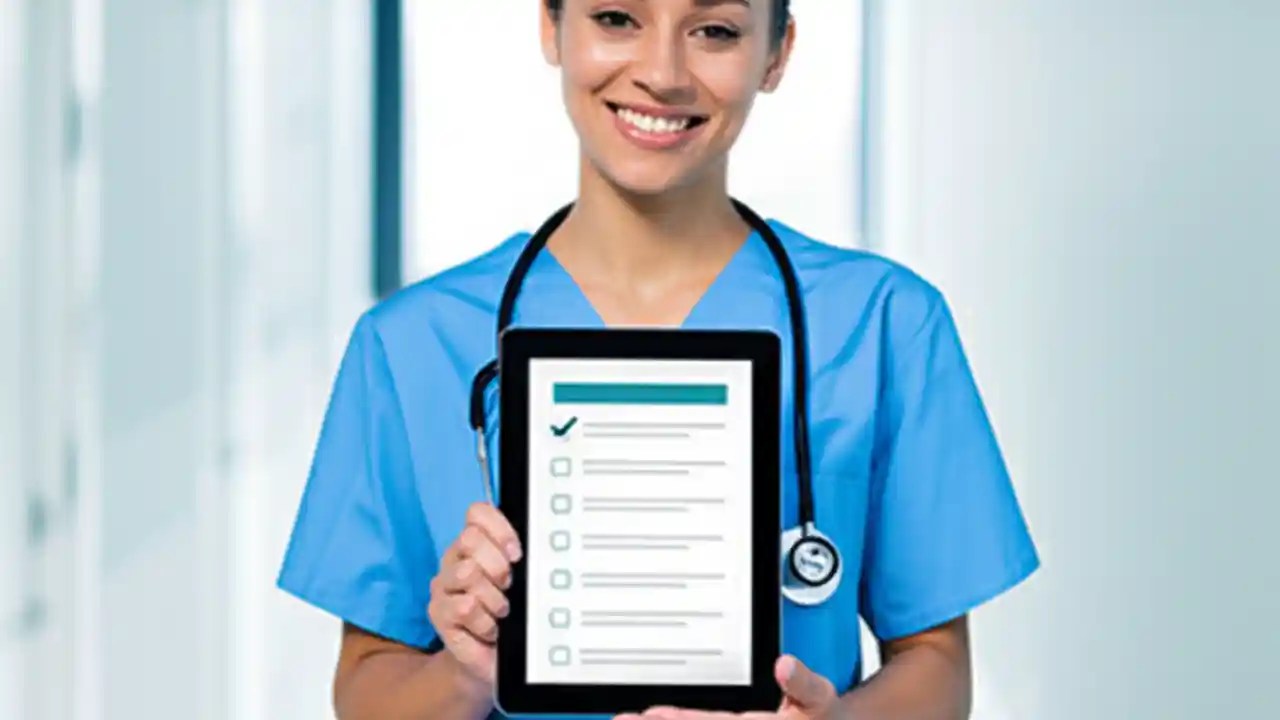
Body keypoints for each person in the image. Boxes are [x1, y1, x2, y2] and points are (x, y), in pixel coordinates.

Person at [276, 1, 1040, 718]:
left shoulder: (883, 323)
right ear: (551, 26)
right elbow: (365, 685)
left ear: (777, 53)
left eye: (715, 30)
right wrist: (468, 669)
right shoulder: (411, 344)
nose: (663, 72)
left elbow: (938, 665)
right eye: (616, 18)